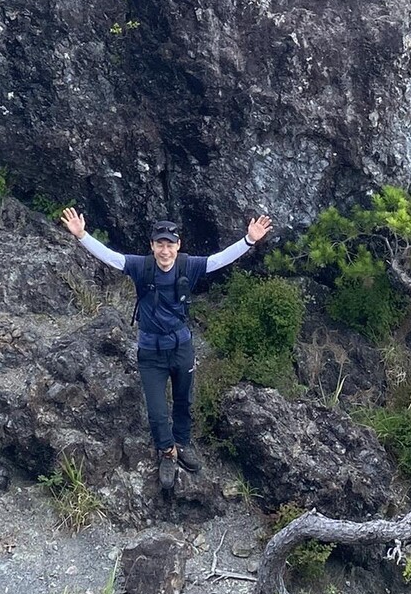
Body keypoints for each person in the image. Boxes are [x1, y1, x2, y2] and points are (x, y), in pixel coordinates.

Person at [59, 206, 273, 490]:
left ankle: (182, 443)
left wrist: (248, 240)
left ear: (178, 245)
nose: (165, 250)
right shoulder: (141, 266)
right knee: (158, 411)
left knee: (184, 401)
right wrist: (82, 235)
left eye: (170, 244)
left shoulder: (188, 265)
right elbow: (112, 258)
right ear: (152, 246)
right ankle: (167, 452)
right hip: (150, 353)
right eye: (160, 244)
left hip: (181, 347)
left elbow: (218, 260)